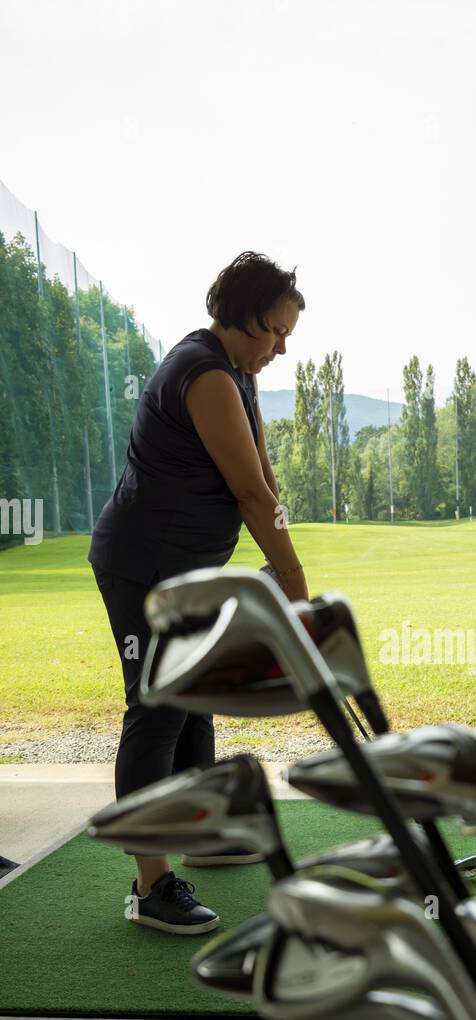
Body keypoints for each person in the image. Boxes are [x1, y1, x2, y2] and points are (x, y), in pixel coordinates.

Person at [88, 251, 309, 934]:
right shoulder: (205, 374)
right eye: (276, 330)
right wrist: (293, 583)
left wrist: (280, 571)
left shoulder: (238, 374)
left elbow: (263, 482)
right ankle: (149, 886)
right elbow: (246, 493)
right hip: (144, 567)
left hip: (189, 567)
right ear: (243, 318)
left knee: (195, 698)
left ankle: (206, 834)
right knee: (156, 709)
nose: (281, 348)